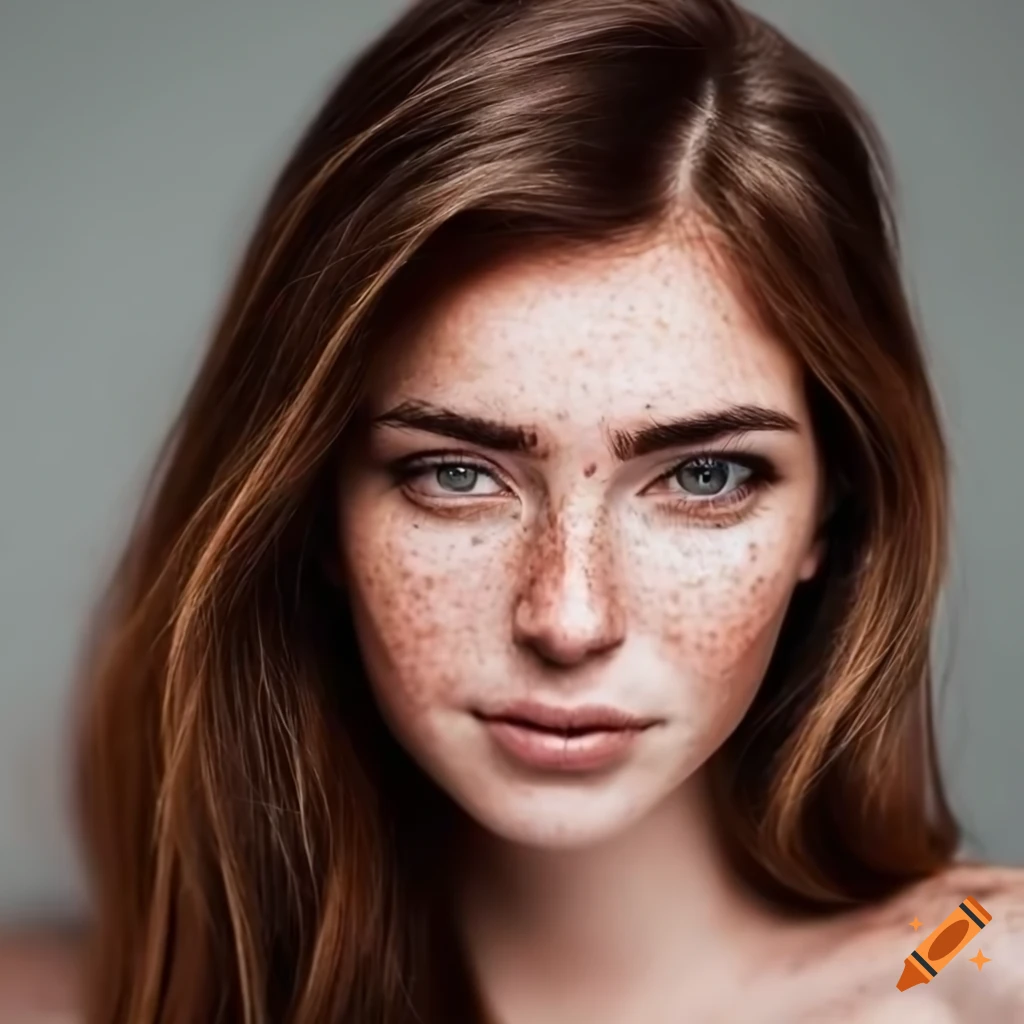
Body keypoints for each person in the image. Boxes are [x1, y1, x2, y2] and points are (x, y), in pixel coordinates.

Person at [69, 0, 1024, 1021]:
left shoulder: (965, 970)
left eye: (704, 475)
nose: (569, 619)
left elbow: (960, 957)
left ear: (831, 514)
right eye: (455, 473)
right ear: (312, 506)